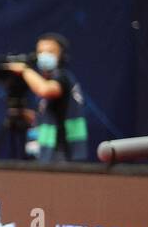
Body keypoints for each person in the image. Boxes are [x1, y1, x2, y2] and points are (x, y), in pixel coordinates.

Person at [7, 32, 88, 163]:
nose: (44, 55)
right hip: (47, 150)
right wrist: (30, 116)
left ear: (61, 56)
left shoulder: (63, 77)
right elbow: (51, 115)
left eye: (50, 51)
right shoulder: (46, 80)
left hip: (62, 150)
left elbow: (45, 90)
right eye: (40, 52)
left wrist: (24, 70)